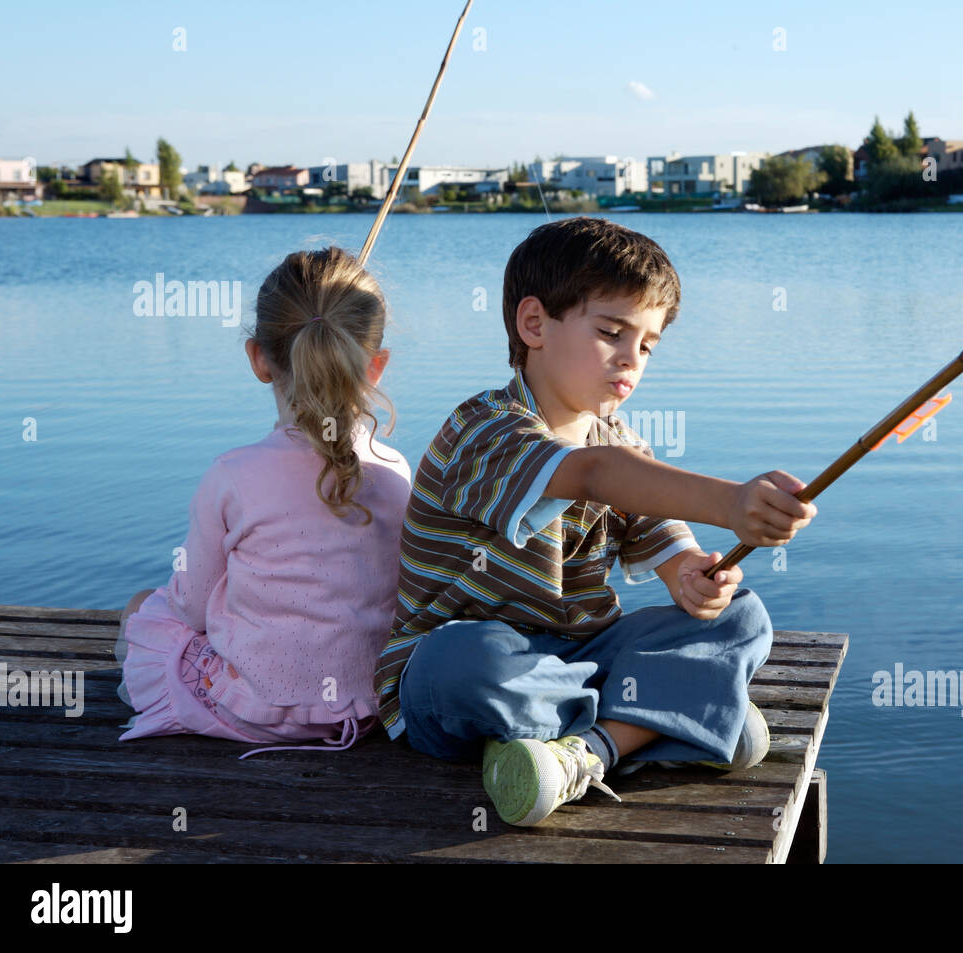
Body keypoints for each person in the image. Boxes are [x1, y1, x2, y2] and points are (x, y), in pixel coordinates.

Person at [375, 217, 817, 826]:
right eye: (611, 332)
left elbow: (667, 543)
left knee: (745, 617)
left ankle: (584, 753)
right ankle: (666, 717)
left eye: (648, 344)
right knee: (459, 661)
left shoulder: (624, 448)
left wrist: (693, 575)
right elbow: (590, 475)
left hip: (580, 658)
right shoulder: (483, 429)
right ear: (534, 324)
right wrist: (731, 503)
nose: (631, 359)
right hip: (471, 670)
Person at [116, 247, 411, 756]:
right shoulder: (397, 471)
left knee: (143, 608)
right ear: (376, 366)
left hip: (255, 708)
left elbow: (192, 607)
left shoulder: (233, 474)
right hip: (366, 707)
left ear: (258, 358)